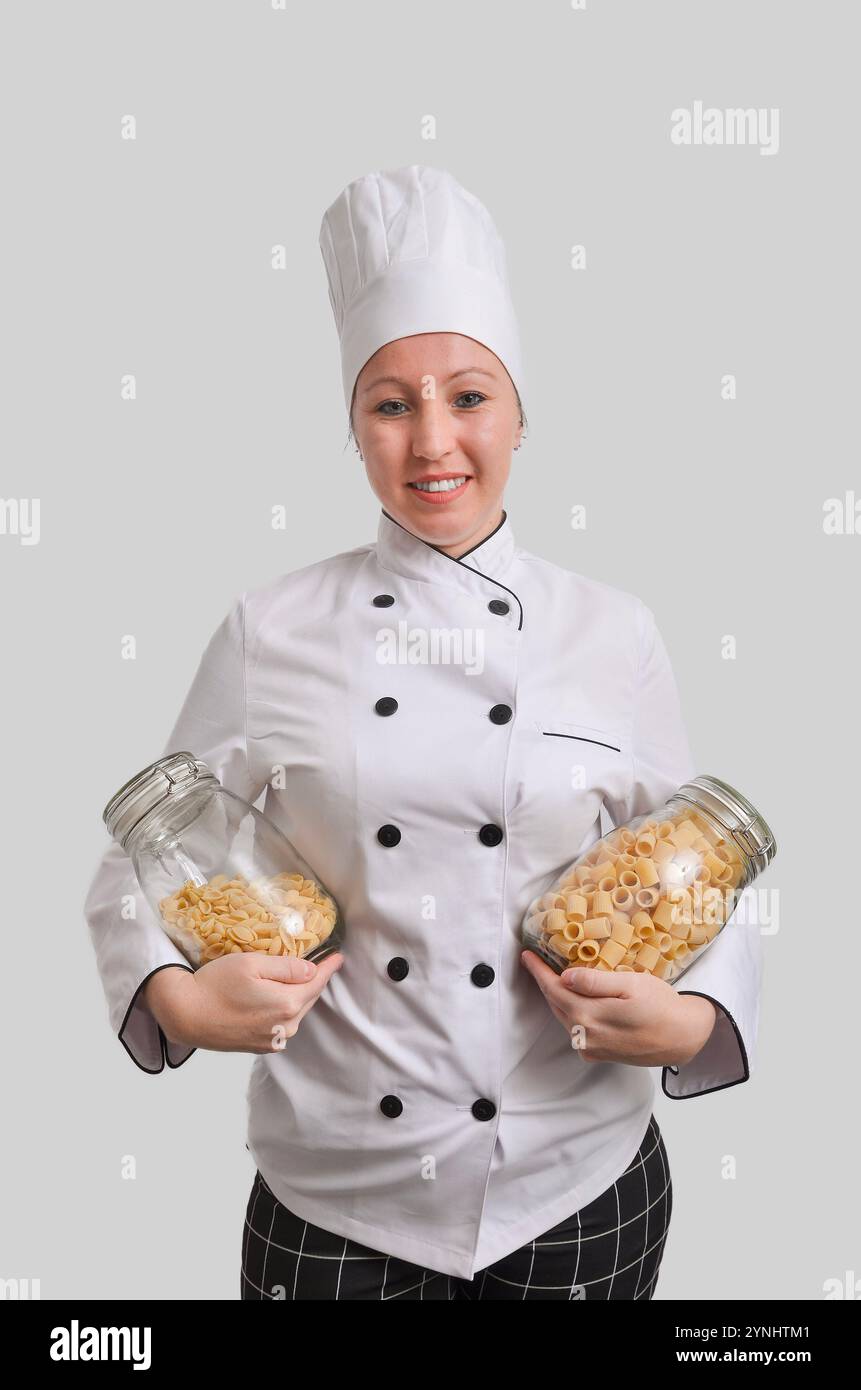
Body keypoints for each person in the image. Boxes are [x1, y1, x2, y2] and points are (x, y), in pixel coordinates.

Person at [85, 164, 763, 1300]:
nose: (432, 440)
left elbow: (698, 866)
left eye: (469, 396)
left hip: (578, 1183)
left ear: (521, 410)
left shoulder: (615, 630)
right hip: (338, 1195)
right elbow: (132, 861)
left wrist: (695, 1021)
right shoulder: (270, 628)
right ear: (353, 427)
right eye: (390, 403)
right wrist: (179, 1002)